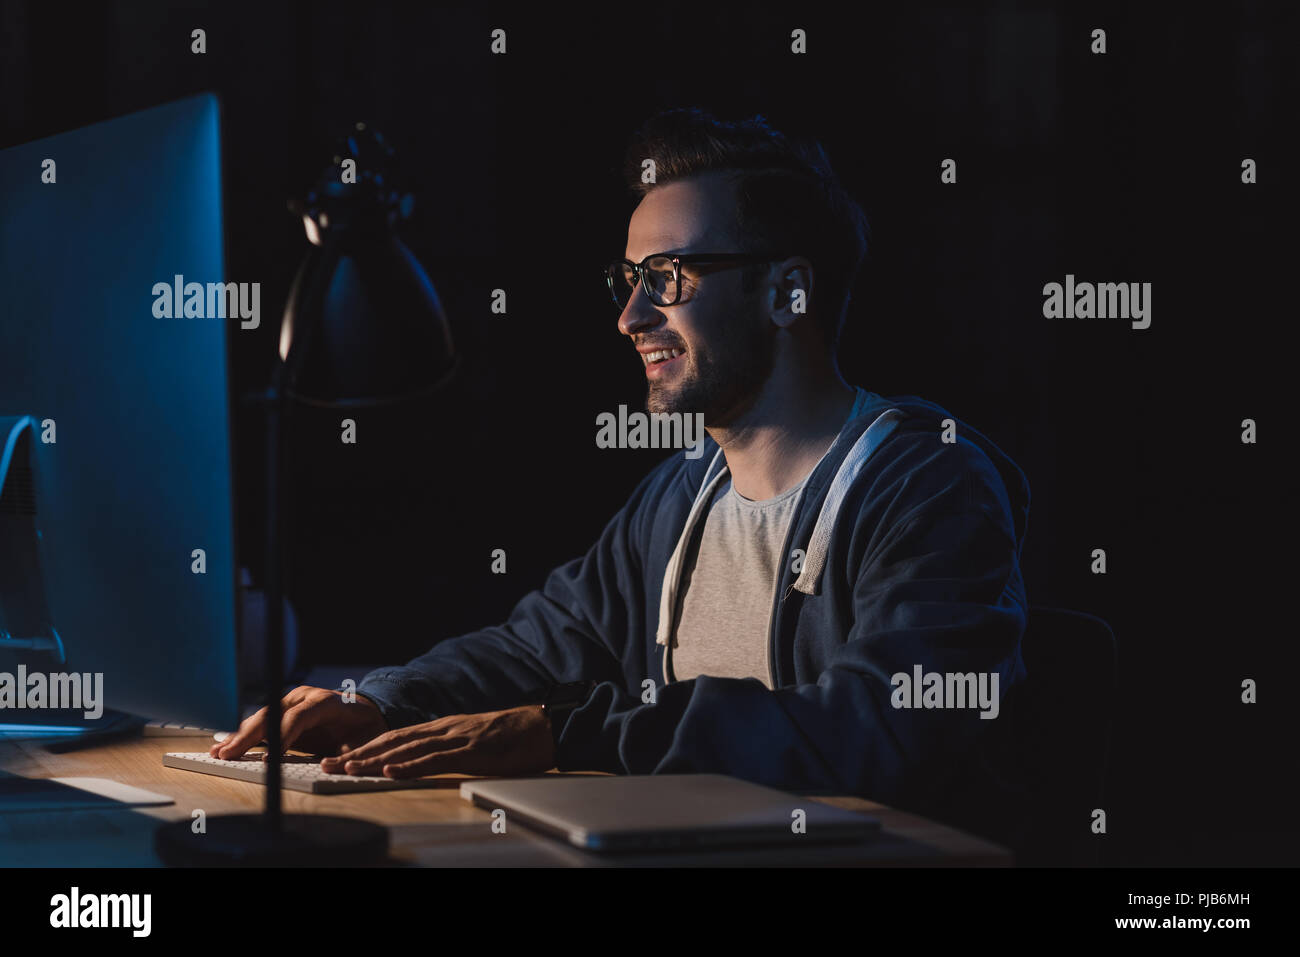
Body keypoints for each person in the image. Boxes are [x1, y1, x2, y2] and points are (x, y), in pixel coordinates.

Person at [214, 107, 1031, 844]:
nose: (630, 316)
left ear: (788, 290)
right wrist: (380, 701)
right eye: (628, 280)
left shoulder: (930, 484)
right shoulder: (682, 495)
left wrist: (574, 731)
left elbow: (877, 730)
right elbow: (535, 648)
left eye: (667, 278)